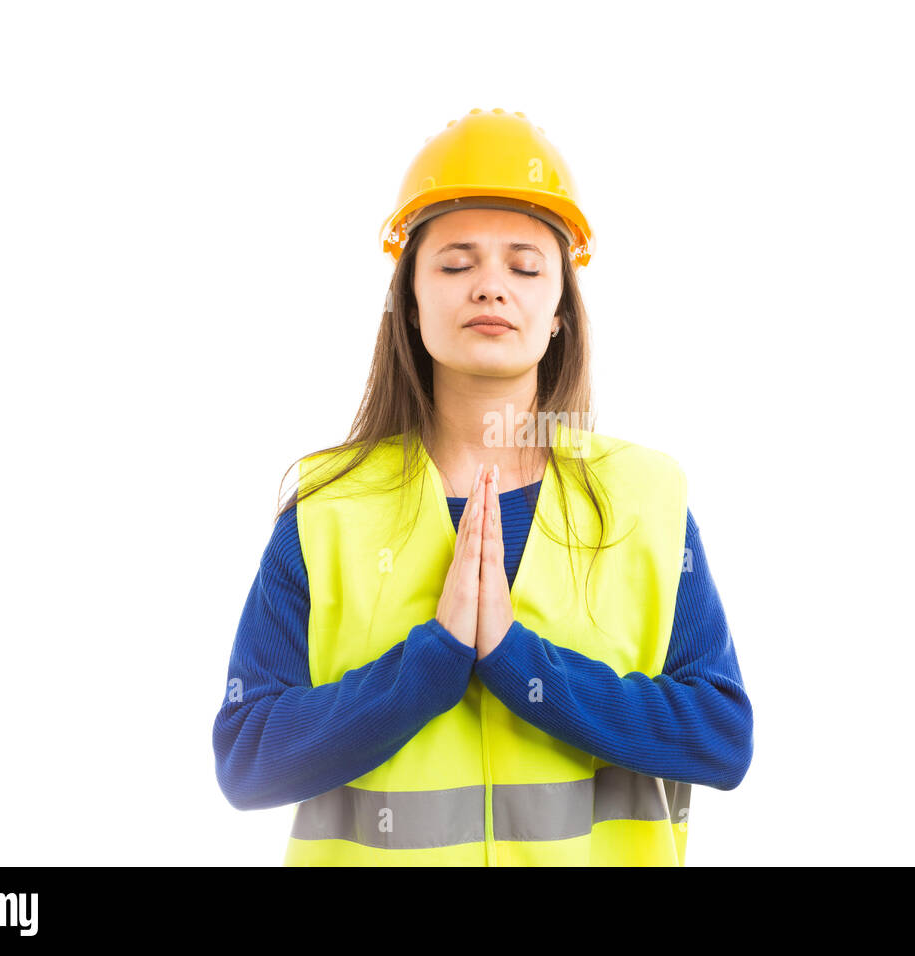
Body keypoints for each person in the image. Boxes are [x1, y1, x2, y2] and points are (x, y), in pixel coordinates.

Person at [212, 107, 753, 866]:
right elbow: (245, 757)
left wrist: (517, 662)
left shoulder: (645, 499)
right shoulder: (325, 511)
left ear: (561, 309)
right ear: (408, 302)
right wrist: (427, 666)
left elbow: (722, 736)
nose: (492, 288)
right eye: (456, 264)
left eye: (525, 266)